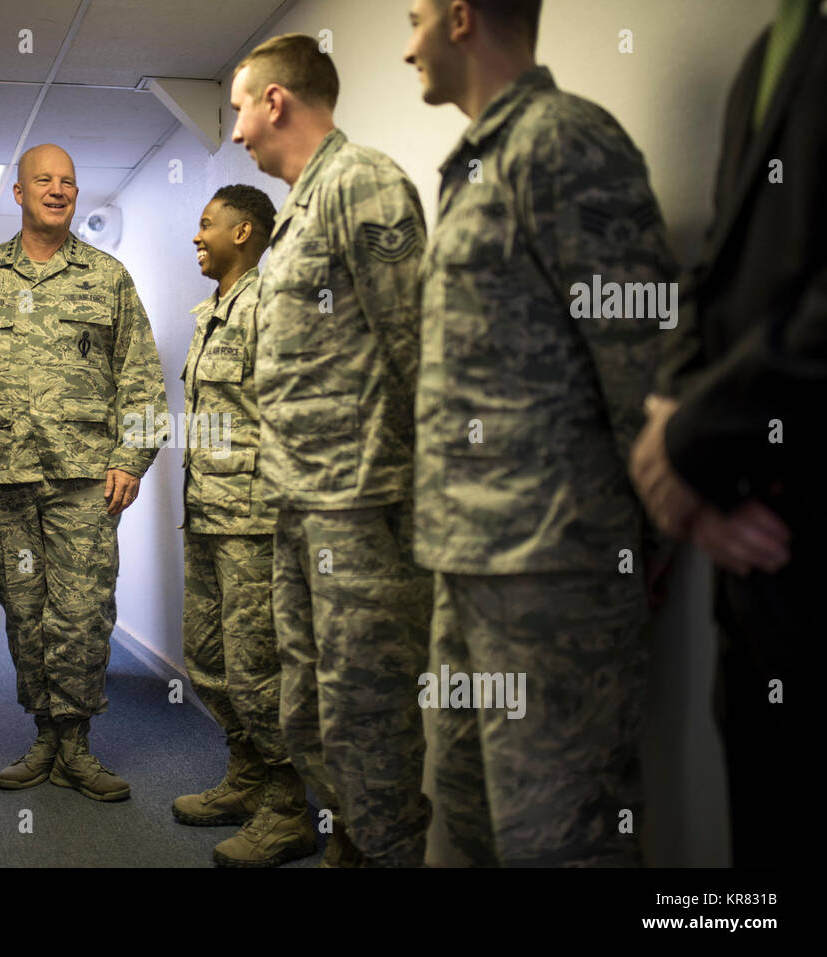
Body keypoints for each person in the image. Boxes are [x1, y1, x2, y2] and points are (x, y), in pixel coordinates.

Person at [404, 0, 676, 865]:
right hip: (468, 563)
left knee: (563, 839)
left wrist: (647, 544)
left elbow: (646, 361)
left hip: (554, 572)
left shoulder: (563, 141)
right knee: (468, 816)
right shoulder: (475, 164)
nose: (406, 46)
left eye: (413, 20)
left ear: (459, 18)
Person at [0, 143, 166, 803]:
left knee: (81, 611)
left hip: (86, 485)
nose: (58, 189)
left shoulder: (108, 277)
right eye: (43, 180)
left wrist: (131, 458)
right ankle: (45, 733)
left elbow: (141, 378)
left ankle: (76, 744)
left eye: (69, 182)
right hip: (7, 484)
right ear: (18, 193)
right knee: (25, 610)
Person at [229, 34, 432, 867]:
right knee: (307, 710)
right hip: (299, 501)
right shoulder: (298, 210)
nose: (236, 130)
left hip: (363, 508)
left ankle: (382, 851)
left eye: (239, 107)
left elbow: (419, 345)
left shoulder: (363, 185)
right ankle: (350, 842)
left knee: (368, 717)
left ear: (276, 101)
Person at [630, 0, 824, 868]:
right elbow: (711, 276)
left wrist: (685, 446)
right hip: (747, 540)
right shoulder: (768, 47)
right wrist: (675, 433)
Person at [172, 185, 312, 867]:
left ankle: (289, 809)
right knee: (206, 661)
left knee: (258, 672)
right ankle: (247, 778)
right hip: (206, 515)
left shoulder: (272, 304)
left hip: (256, 524)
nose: (196, 236)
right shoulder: (212, 313)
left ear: (244, 230)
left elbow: (293, 415)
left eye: (206, 225)